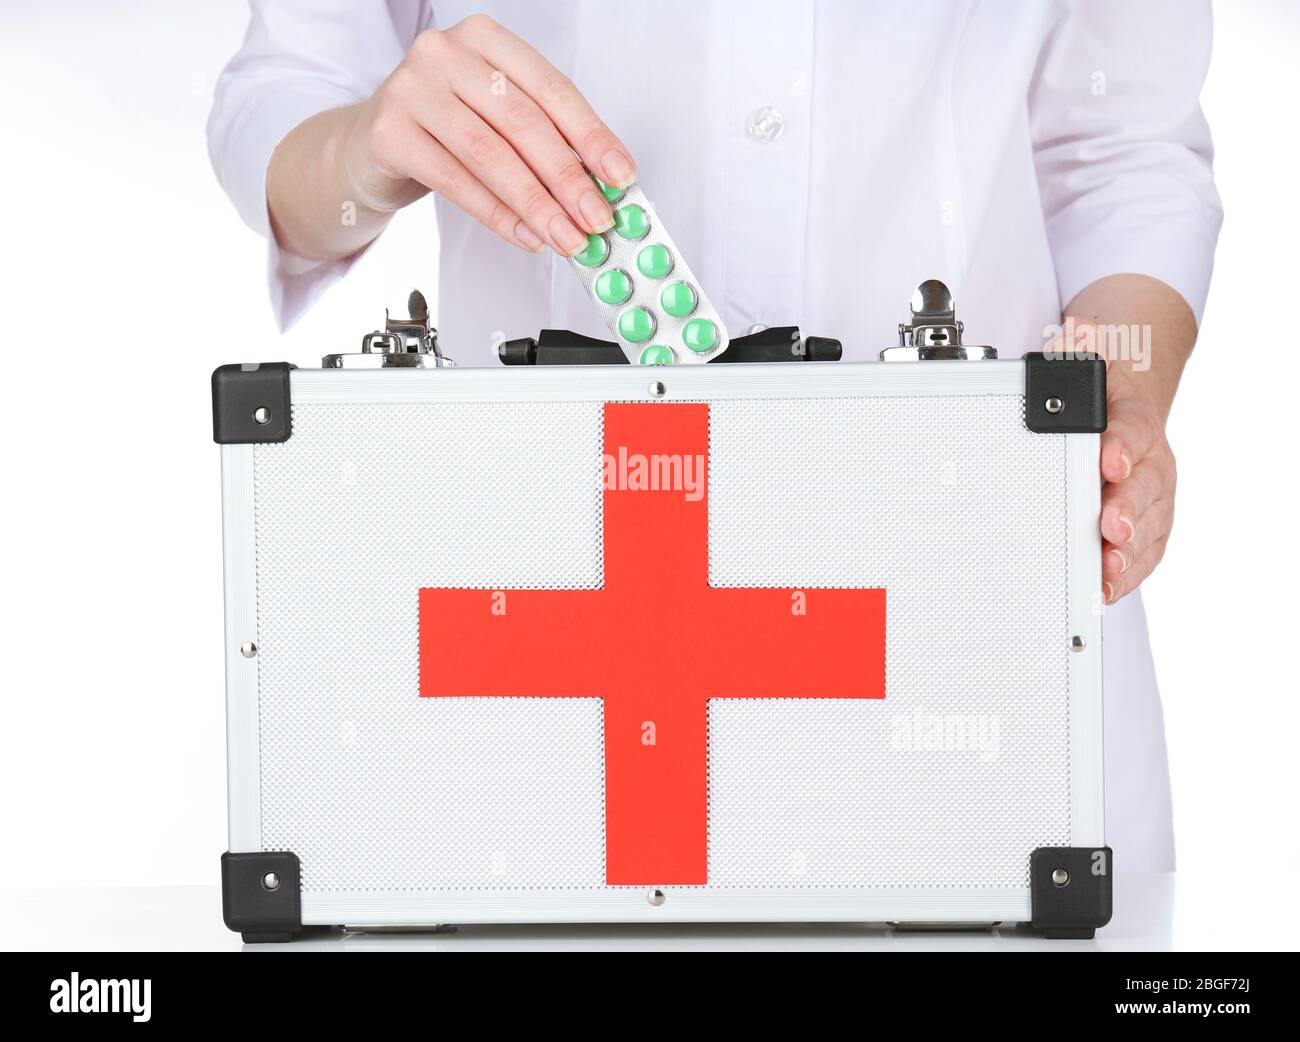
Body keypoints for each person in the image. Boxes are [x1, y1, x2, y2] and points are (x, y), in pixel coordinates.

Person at [208, 0, 1222, 874]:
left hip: (973, 615)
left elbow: (1118, 153)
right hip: (556, 620)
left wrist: (1120, 392)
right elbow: (288, 104)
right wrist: (366, 151)